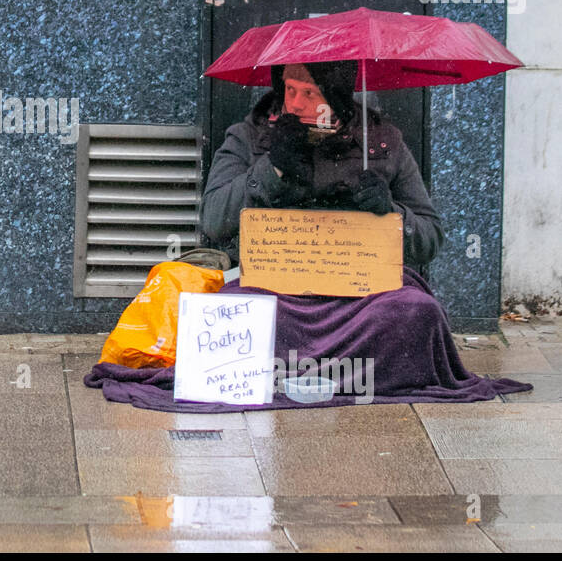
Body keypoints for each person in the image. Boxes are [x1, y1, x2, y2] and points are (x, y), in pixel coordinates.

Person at [199, 60, 530, 402]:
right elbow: (213, 219)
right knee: (229, 312)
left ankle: (352, 380)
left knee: (418, 312)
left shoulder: (381, 140)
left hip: (361, 294)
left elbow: (429, 236)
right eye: (289, 89)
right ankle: (318, 378)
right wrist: (273, 168)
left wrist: (389, 211)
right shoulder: (250, 136)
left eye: (310, 93)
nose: (295, 103)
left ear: (337, 98)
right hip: (280, 288)